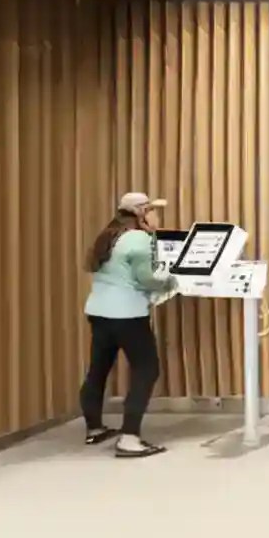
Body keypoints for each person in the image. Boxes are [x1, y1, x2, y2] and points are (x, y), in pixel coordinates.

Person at [80, 192, 177, 459]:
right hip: (127, 315)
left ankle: (94, 429)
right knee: (147, 369)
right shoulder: (138, 239)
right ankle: (130, 438)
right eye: (152, 210)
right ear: (141, 213)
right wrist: (172, 277)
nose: (156, 215)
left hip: (99, 312)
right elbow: (149, 279)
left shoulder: (108, 235)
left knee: (98, 370)